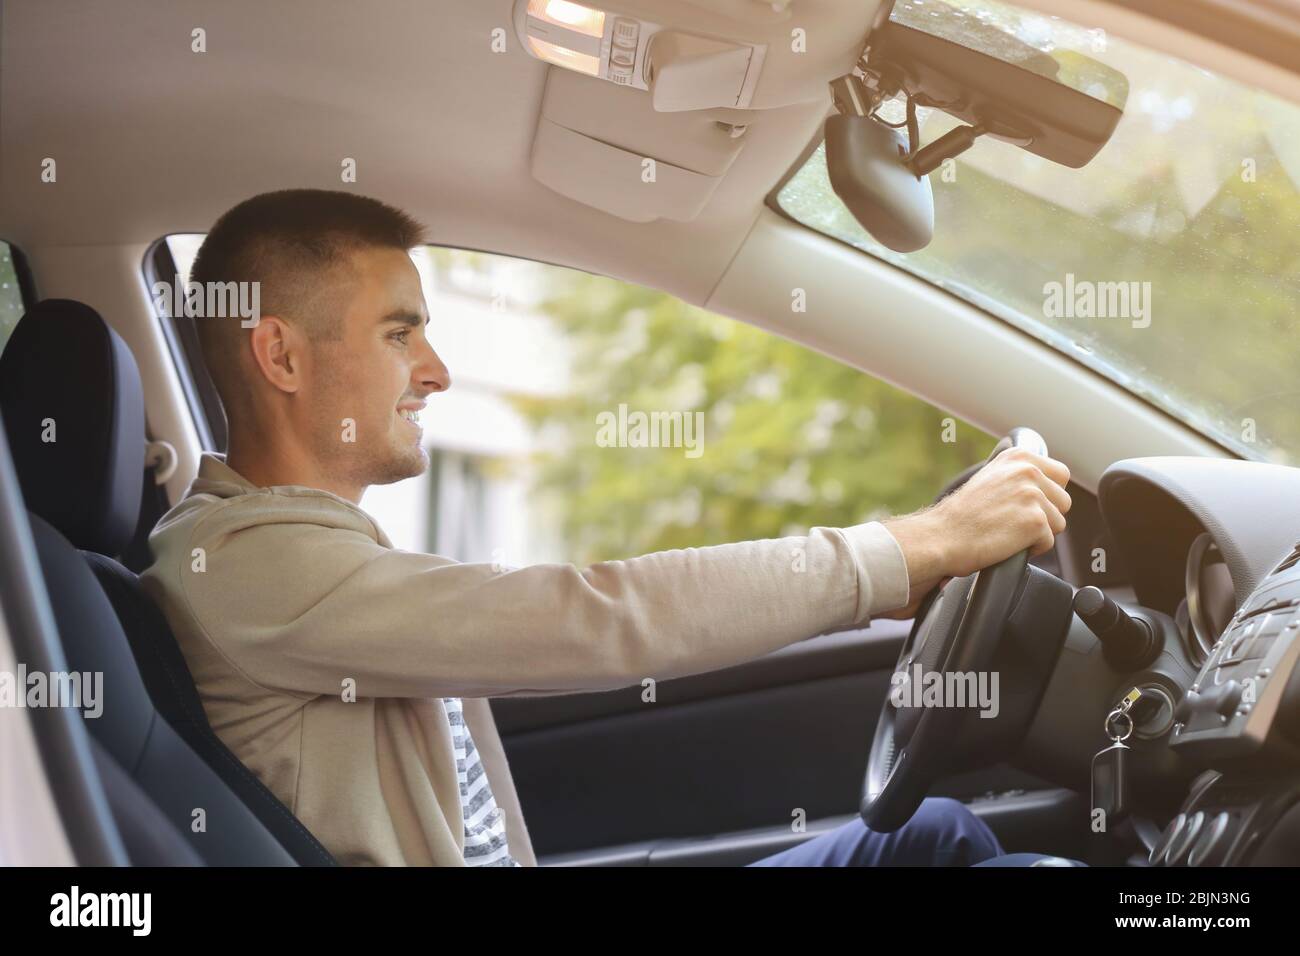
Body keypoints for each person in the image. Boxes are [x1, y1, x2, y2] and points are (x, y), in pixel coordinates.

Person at [141, 189, 1072, 867]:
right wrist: (914, 546)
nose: (436, 370)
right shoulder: (246, 564)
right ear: (280, 355)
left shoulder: (306, 549)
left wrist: (896, 573)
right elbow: (596, 616)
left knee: (935, 834)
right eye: (398, 333)